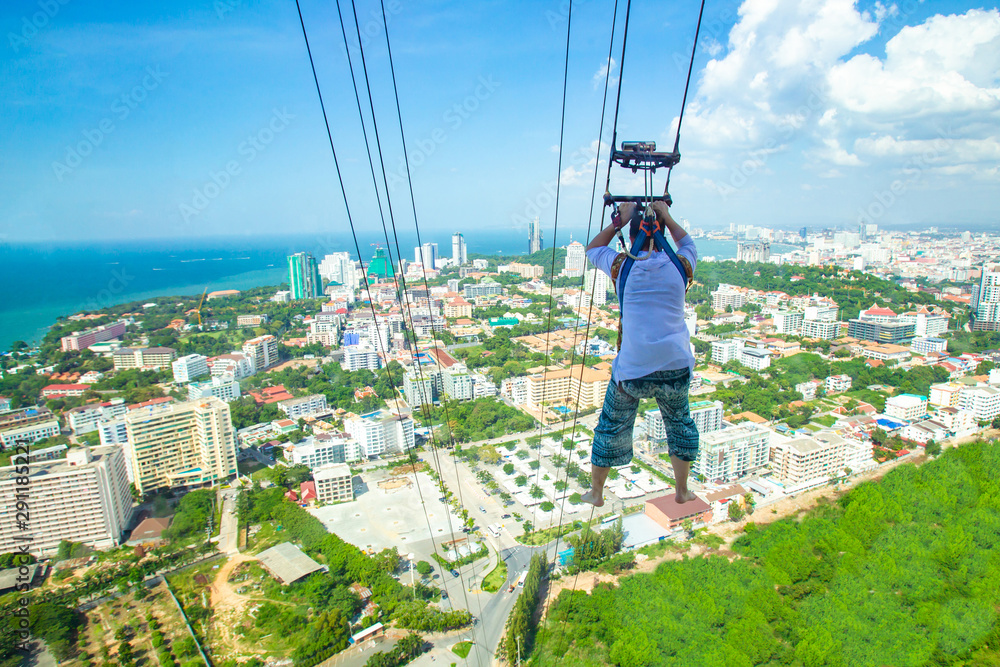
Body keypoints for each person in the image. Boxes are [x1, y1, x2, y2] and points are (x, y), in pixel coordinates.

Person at [581, 200, 699, 507]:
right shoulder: (680, 265)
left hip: (632, 370)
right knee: (679, 423)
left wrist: (619, 220)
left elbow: (593, 249)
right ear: (661, 233)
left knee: (611, 425)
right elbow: (687, 243)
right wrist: (667, 217)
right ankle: (682, 490)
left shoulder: (622, 266)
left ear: (630, 237)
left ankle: (596, 492)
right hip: (675, 365)